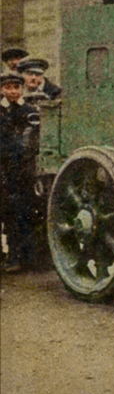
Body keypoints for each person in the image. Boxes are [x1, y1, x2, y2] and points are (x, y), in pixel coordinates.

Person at [1, 73, 40, 273]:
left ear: (22, 89)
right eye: (8, 88)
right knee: (6, 212)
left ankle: (23, 258)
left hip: (21, 169)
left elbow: (30, 139)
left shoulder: (29, 111)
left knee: (21, 213)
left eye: (16, 87)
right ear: (2, 90)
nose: (12, 92)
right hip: (3, 170)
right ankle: (9, 256)